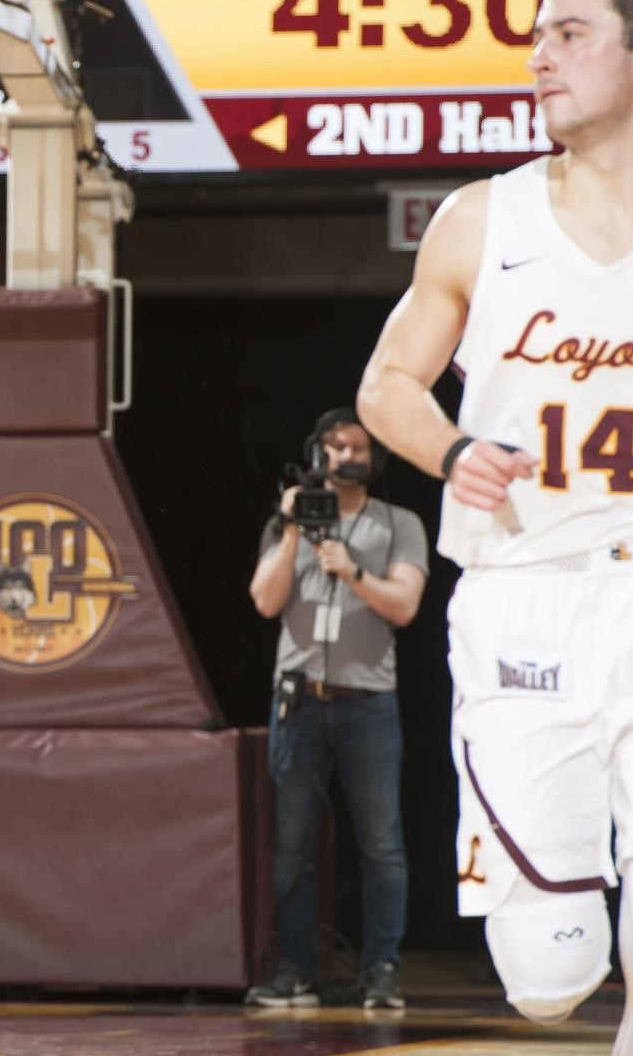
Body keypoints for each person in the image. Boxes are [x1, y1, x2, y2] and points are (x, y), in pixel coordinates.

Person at [356, 0, 633, 1050]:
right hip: (523, 598)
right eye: (535, 36)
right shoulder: (482, 219)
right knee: (548, 977)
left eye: (569, 34)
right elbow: (385, 386)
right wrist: (451, 446)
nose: (538, 55)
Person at [243, 409, 425, 1010]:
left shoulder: (399, 524)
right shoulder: (286, 521)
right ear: (317, 452)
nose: (345, 455)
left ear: (375, 458)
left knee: (381, 843)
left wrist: (352, 571)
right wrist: (295, 528)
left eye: (357, 447)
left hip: (367, 702)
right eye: (334, 445)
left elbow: (403, 606)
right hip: (299, 698)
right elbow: (265, 602)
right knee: (292, 841)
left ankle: (382, 970)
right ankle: (294, 968)